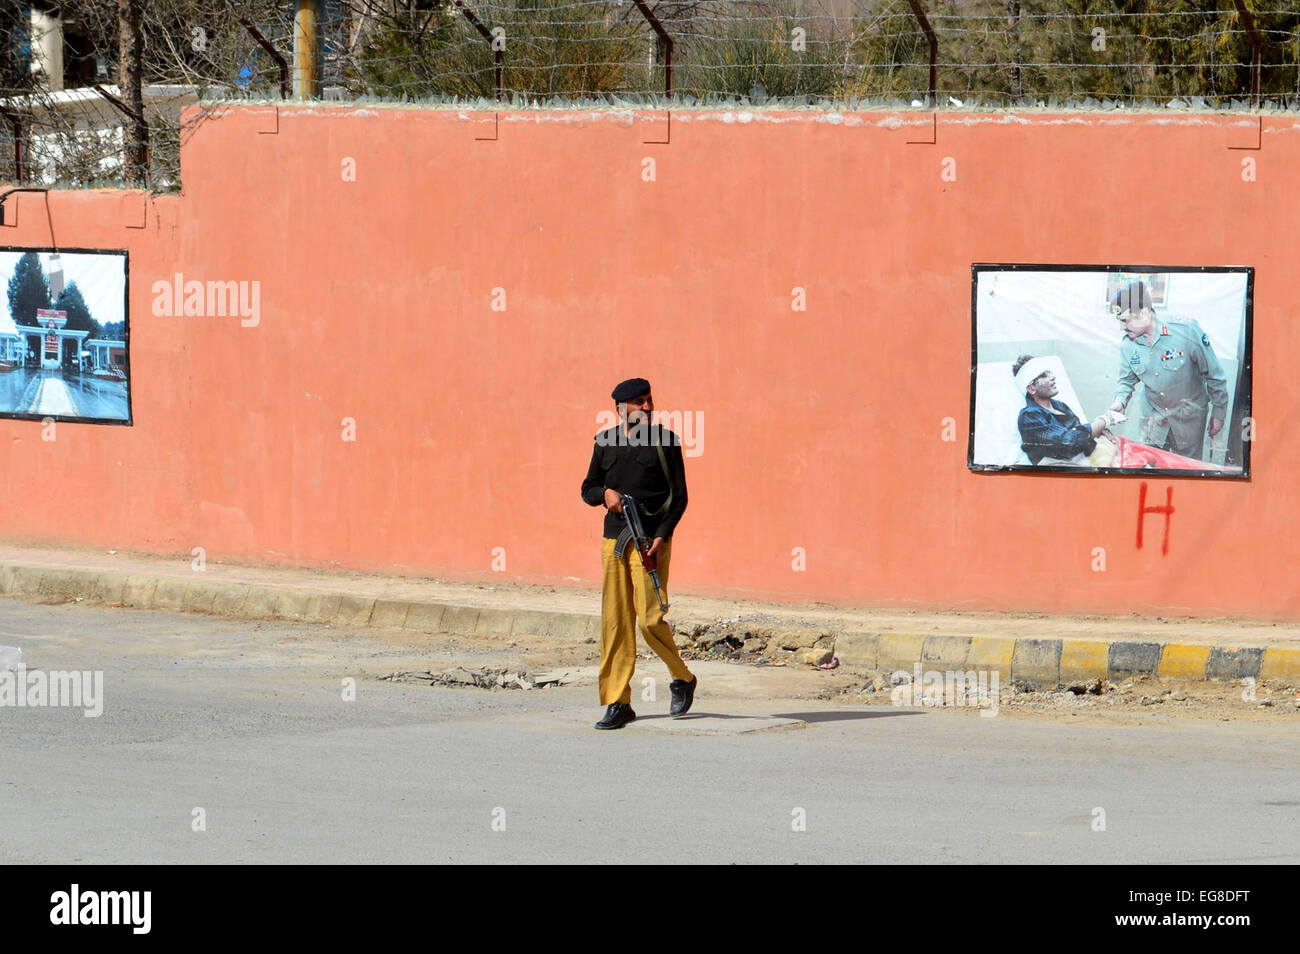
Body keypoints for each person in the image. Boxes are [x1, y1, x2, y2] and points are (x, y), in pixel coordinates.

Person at [579, 378, 696, 730]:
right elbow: (587, 488)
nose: (647, 407)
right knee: (615, 622)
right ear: (620, 409)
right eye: (638, 403)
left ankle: (682, 677)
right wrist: (605, 495)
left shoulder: (665, 442)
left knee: (649, 618)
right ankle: (618, 701)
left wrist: (662, 536)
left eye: (649, 400)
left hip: (651, 541)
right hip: (614, 540)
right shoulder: (605, 441)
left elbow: (680, 497)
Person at [1106, 280, 1230, 462]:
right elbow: (1126, 381)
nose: (1122, 327)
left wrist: (1218, 414)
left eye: (1125, 320)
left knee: (1186, 468)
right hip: (1153, 419)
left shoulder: (1186, 330)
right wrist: (1120, 401)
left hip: (1188, 419)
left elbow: (1214, 376)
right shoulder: (1128, 344)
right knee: (1151, 465)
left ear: (1145, 312)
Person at [1013, 355, 1118, 465]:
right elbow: (1069, 442)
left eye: (1049, 372)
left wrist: (1098, 431)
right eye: (1044, 375)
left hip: (1084, 463)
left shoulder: (1060, 407)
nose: (1052, 377)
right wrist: (1103, 421)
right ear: (1031, 388)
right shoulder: (1029, 417)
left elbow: (1080, 435)